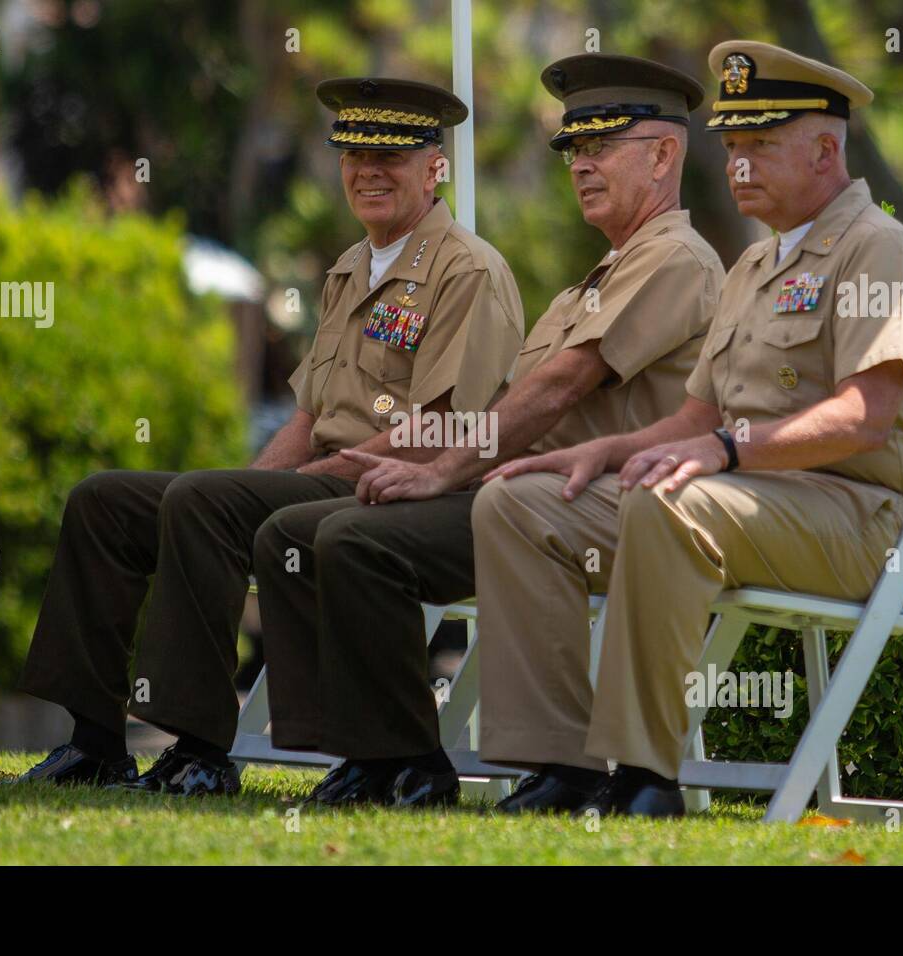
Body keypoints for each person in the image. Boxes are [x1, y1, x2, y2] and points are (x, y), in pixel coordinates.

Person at [13, 77, 523, 794]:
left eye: (393, 157)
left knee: (205, 501)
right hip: (321, 479)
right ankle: (95, 740)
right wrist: (249, 485)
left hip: (402, 491)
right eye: (354, 154)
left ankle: (198, 750)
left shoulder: (466, 269)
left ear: (435, 166)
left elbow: (445, 429)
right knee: (106, 501)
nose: (369, 171)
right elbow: (307, 420)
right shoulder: (349, 269)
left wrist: (273, 489)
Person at [476, 40, 903, 817]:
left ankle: (644, 775)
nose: (738, 165)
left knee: (665, 504)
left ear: (827, 149)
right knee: (519, 506)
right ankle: (561, 764)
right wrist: (604, 449)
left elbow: (868, 417)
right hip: (744, 506)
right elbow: (697, 417)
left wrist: (727, 450)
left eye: (761, 145)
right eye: (731, 146)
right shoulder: (753, 268)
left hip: (853, 520)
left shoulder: (878, 249)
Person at [255, 54, 723, 808]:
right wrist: (438, 461)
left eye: (602, 147)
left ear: (665, 154)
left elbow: (559, 388)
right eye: (574, 150)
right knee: (312, 528)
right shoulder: (601, 274)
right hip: (528, 493)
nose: (582, 166)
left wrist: (440, 470)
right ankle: (377, 755)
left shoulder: (673, 259)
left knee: (352, 538)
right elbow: (516, 404)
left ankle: (442, 763)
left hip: (588, 507)